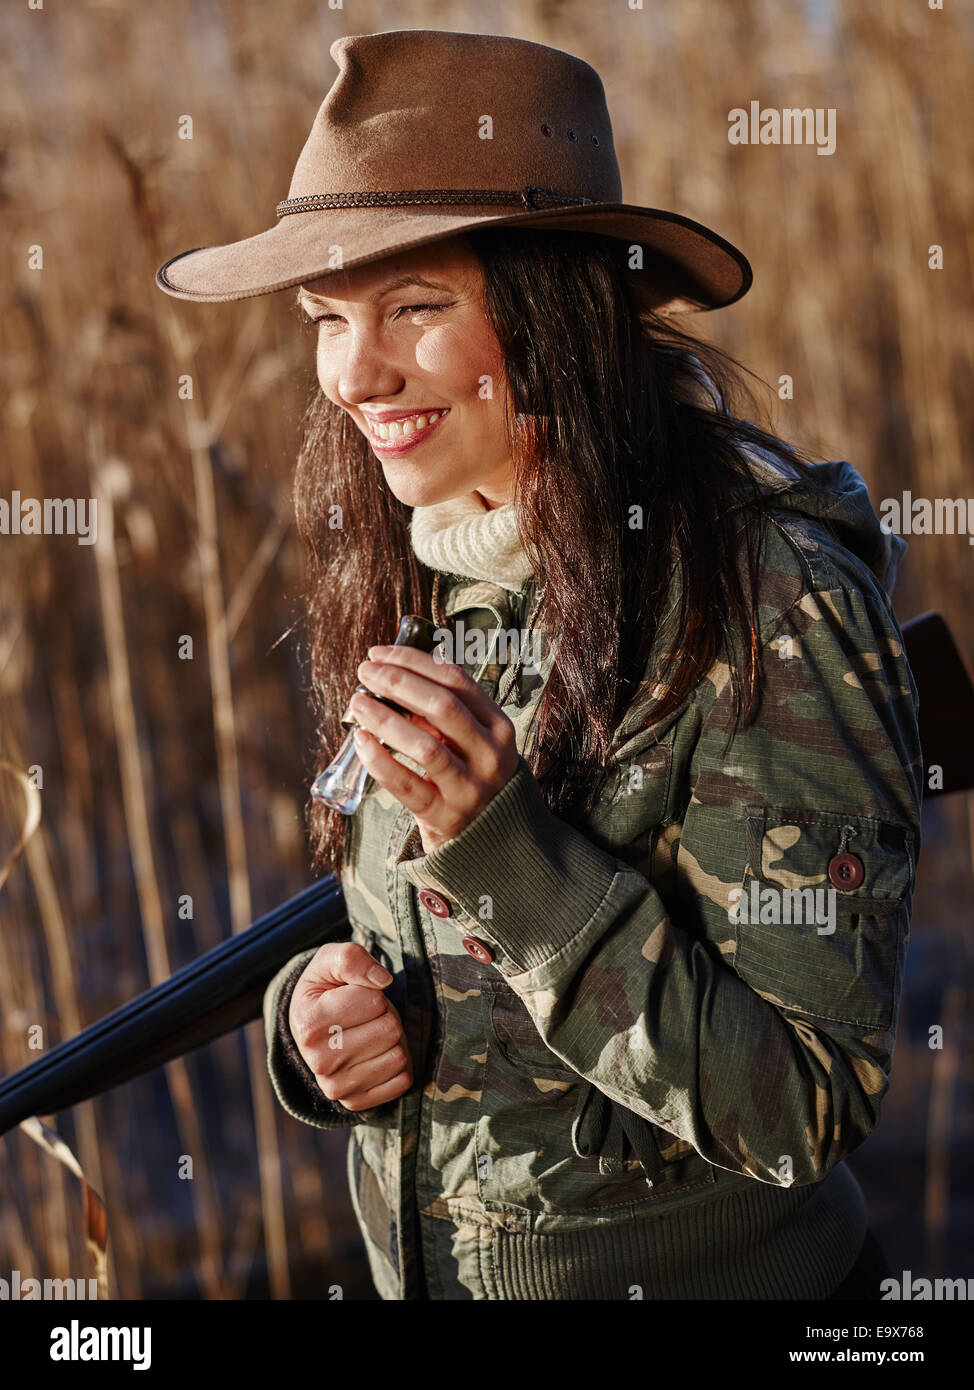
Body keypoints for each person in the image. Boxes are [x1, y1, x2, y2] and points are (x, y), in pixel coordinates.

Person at [156, 29, 922, 1301]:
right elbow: (436, 944)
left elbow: (803, 1103)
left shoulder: (768, 599)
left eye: (414, 305)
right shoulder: (434, 554)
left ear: (557, 306)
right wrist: (326, 1019)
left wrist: (509, 851)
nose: (354, 373)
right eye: (324, 317)